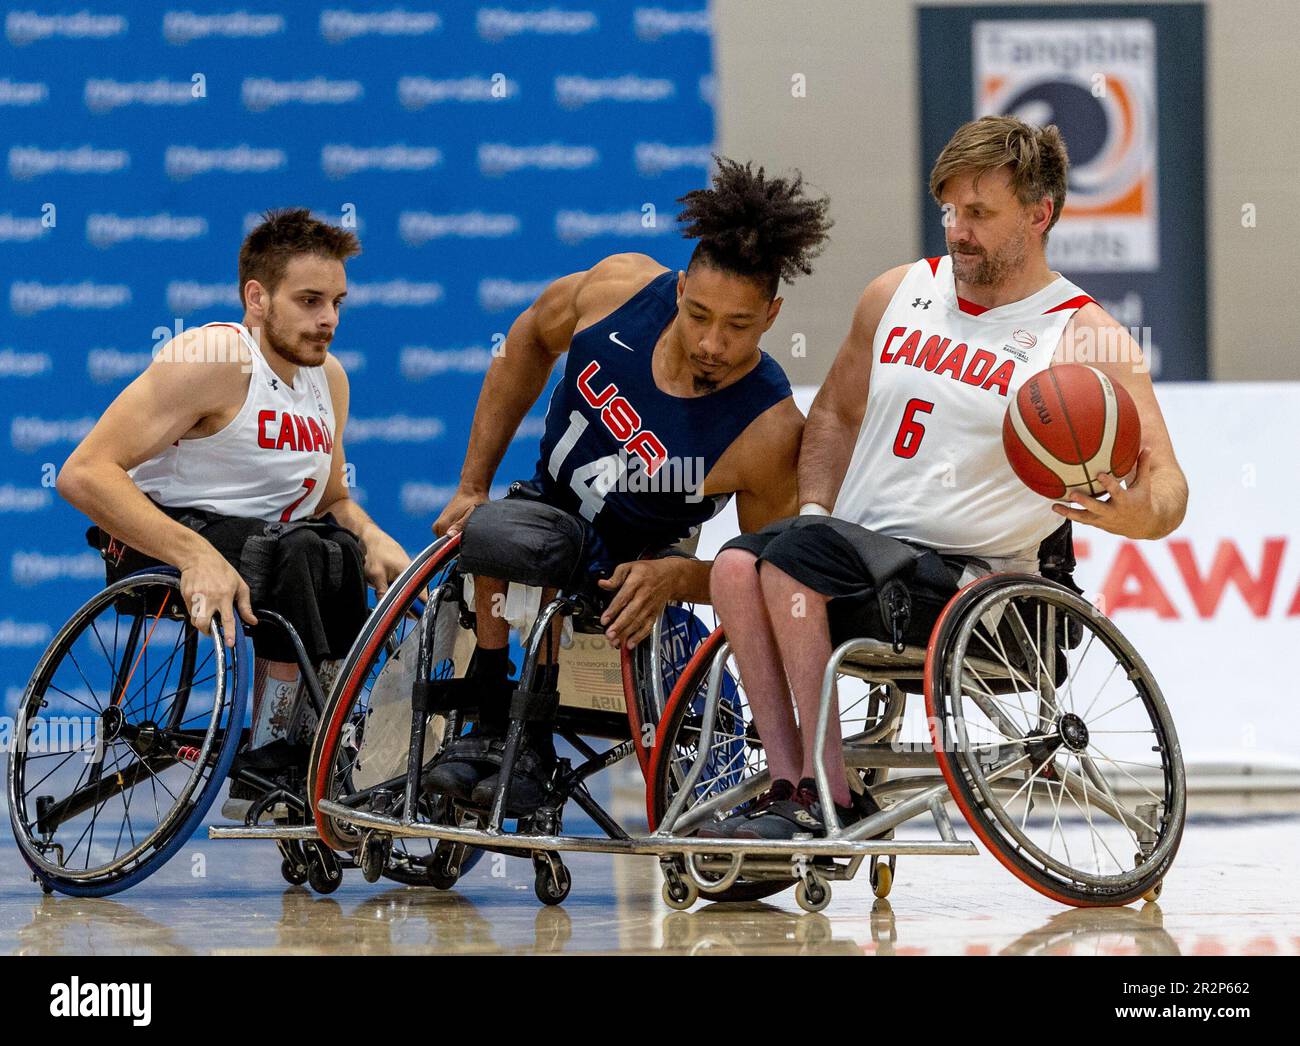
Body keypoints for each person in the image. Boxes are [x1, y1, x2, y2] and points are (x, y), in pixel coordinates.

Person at [708, 116, 1189, 839]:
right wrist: (812, 507)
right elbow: (835, 414)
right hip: (853, 557)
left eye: (980, 214)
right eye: (949, 212)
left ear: (1039, 213)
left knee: (789, 565)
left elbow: (1170, 487)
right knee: (735, 566)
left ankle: (827, 797)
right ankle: (792, 785)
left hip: (972, 587)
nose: (957, 231)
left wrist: (1136, 515)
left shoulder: (1082, 335)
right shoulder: (895, 292)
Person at [428, 158, 831, 815]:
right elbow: (528, 339)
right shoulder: (616, 290)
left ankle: (524, 742)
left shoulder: (767, 428)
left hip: (627, 565)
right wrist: (472, 484)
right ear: (677, 290)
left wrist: (676, 577)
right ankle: (495, 720)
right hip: (540, 509)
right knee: (500, 529)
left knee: (527, 539)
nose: (711, 341)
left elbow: (765, 577)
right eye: (699, 314)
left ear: (773, 314)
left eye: (738, 325)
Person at [57, 208, 410, 808]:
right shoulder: (215, 357)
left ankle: (325, 741)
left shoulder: (329, 379)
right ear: (257, 298)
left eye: (337, 303)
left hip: (267, 548)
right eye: (309, 300)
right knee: (299, 549)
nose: (328, 319)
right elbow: (83, 474)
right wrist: (193, 555)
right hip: (159, 540)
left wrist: (370, 531)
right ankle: (266, 763)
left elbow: (331, 499)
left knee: (338, 548)